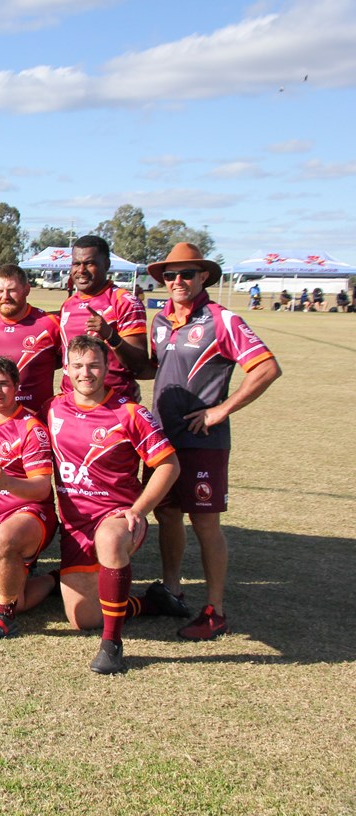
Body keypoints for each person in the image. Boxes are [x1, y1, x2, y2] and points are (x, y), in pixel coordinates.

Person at [144, 243, 281, 641]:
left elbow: (267, 368)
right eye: (171, 275)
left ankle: (215, 610)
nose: (178, 281)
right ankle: (172, 591)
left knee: (205, 522)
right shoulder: (161, 321)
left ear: (204, 276)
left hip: (204, 442)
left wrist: (222, 409)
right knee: (167, 515)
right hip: (163, 440)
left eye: (187, 273)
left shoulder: (222, 319)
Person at [45, 336, 180, 674]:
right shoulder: (53, 408)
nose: (85, 373)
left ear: (107, 367)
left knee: (109, 540)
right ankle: (149, 603)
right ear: (67, 369)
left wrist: (139, 509)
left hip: (118, 519)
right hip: (76, 526)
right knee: (82, 618)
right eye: (78, 366)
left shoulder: (129, 412)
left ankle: (112, 646)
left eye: (93, 365)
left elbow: (169, 465)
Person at [0, 357, 58, 640]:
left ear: (17, 386)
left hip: (31, 515)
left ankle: (1, 619)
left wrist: (8, 482)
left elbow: (42, 488)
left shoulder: (31, 428)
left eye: (4, 384)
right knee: (20, 599)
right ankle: (57, 579)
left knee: (5, 541)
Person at [58, 235, 149, 401]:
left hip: (113, 404)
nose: (81, 270)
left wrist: (110, 335)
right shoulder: (68, 304)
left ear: (106, 265)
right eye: (76, 264)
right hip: (71, 403)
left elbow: (139, 364)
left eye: (90, 263)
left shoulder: (124, 302)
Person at [0, 263, 62, 415]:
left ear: (26, 290)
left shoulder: (50, 323)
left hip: (37, 421)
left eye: (12, 290)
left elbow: (68, 365)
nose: (5, 297)